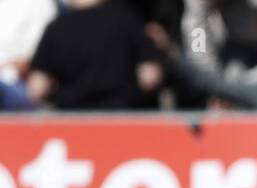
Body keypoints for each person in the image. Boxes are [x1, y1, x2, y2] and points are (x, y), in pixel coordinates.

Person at [27, 0, 164, 110]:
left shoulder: (55, 28)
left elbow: (37, 88)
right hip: (121, 118)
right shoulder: (127, 20)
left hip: (70, 120)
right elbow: (150, 77)